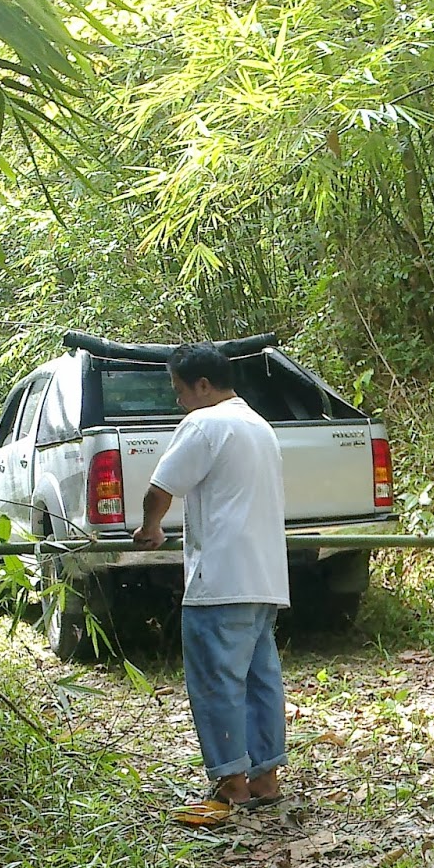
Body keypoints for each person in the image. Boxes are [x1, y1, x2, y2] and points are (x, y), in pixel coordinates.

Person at [132, 343, 290, 826]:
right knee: (261, 679)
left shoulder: (205, 423)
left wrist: (150, 529)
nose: (178, 402)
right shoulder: (260, 427)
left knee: (217, 680)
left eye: (180, 391)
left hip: (220, 578)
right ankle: (266, 777)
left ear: (203, 386)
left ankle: (231, 784)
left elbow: (159, 490)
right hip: (264, 578)